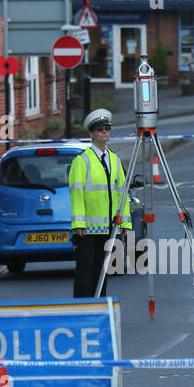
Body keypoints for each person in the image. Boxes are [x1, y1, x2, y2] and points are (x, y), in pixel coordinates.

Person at [68, 108, 131, 298]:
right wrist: (78, 223)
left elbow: (122, 193)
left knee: (102, 273)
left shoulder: (115, 159)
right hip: (87, 229)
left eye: (107, 128)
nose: (104, 132)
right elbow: (77, 193)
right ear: (91, 133)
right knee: (85, 272)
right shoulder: (82, 160)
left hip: (108, 228)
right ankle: (81, 309)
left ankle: (100, 307)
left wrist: (125, 223)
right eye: (100, 129)